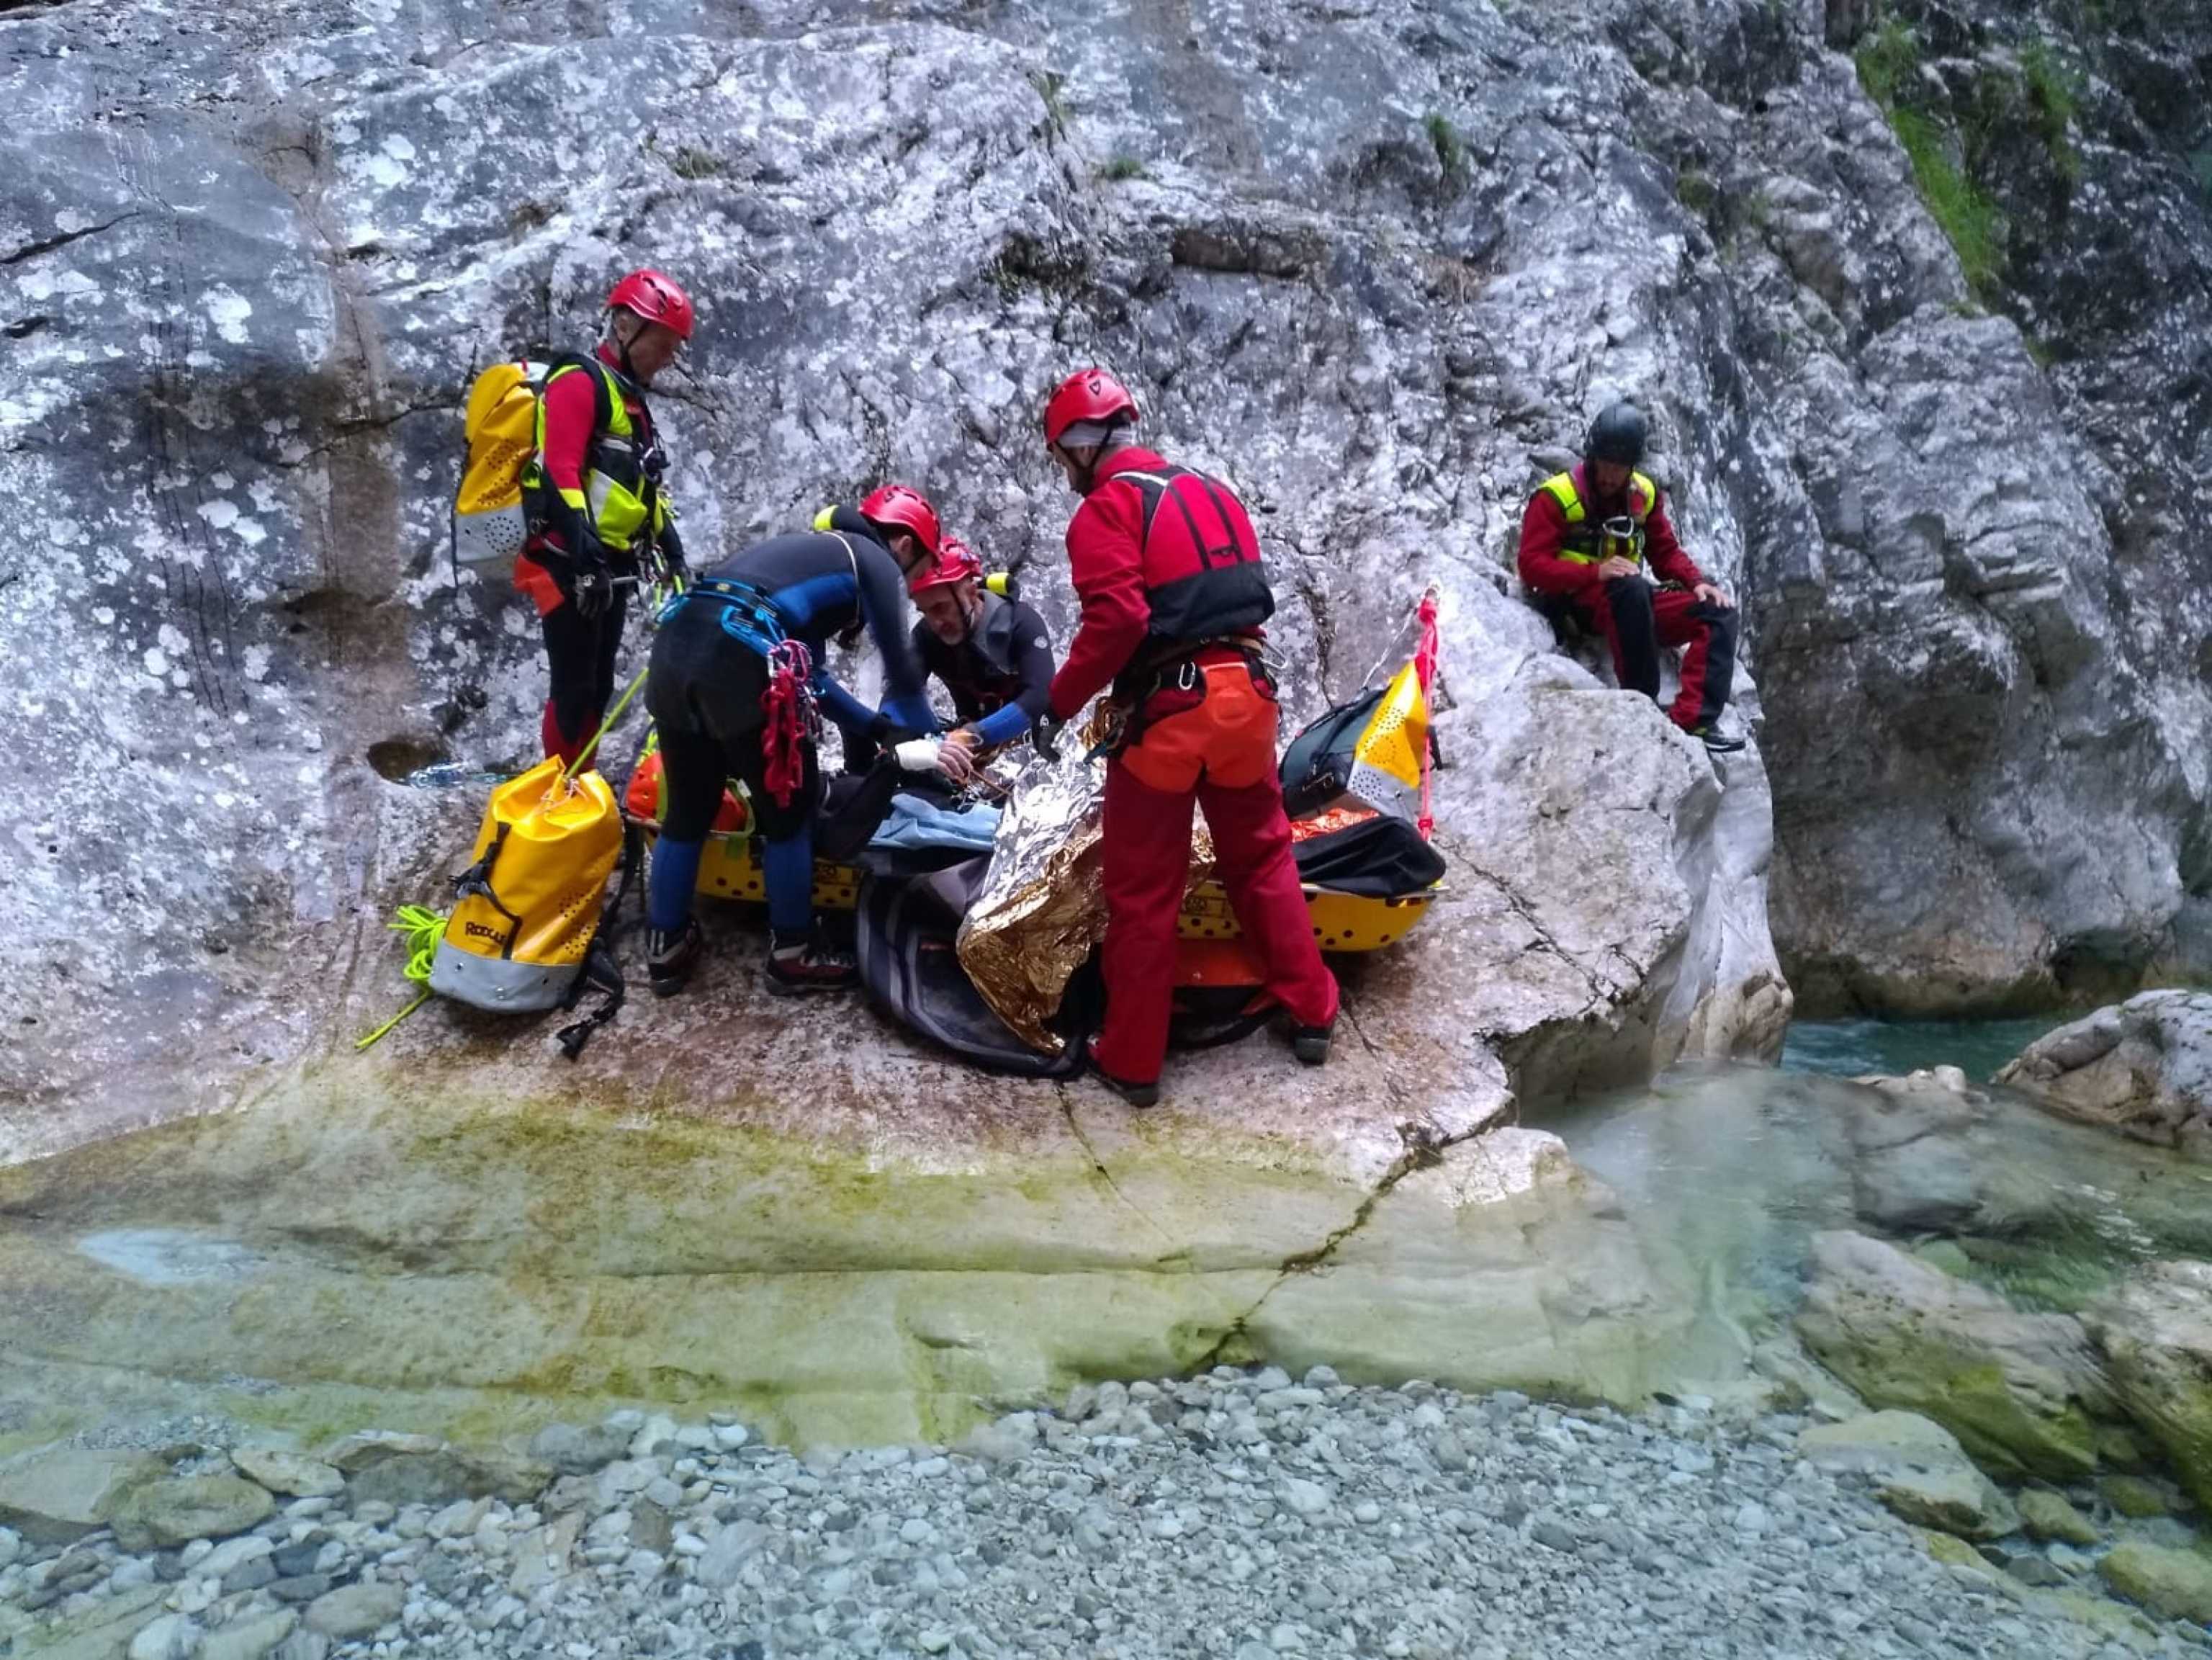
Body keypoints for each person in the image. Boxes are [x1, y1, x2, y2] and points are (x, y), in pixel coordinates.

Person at [1038, 367, 1339, 1108]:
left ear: (1079, 447)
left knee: (1143, 892)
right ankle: (1312, 1010)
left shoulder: (1105, 509)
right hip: (1250, 694)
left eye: (1061, 457)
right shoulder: (1213, 490)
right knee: (1263, 858)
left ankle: (1134, 1060)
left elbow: (1119, 622)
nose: (1065, 474)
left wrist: (1059, 702)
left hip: (1172, 714)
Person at [643, 488, 943, 995]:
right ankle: (794, 954)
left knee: (689, 810)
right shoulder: (876, 561)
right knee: (791, 813)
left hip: (676, 645)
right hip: (741, 656)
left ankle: (665, 946)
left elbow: (814, 677)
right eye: (916, 578)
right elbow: (905, 675)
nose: (909, 590)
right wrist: (933, 748)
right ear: (908, 547)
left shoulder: (811, 557)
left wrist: (870, 727)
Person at [513, 269, 693, 768]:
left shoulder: (631, 401)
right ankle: (556, 789)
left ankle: (578, 782)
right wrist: (583, 553)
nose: (669, 357)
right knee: (572, 685)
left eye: (674, 346)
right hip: (567, 562)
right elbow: (560, 468)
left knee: (599, 685)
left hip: (610, 565)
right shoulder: (579, 380)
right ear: (623, 326)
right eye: (663, 343)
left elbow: (645, 484)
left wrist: (672, 548)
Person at [1516, 402, 1743, 753]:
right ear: (1592, 458)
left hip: (1631, 602)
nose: (1609, 475)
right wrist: (1596, 572)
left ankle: (1694, 721)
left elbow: (1664, 551)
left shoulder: (1643, 497)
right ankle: (1643, 707)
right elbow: (1531, 565)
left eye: (1619, 468)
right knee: (1633, 590)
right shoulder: (1556, 498)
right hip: (1580, 605)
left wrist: (1695, 582)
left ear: (1631, 467)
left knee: (1717, 612)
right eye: (1605, 464)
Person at [905, 538, 1056, 783]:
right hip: (971, 744)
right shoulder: (926, 636)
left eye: (941, 608)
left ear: (971, 591)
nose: (935, 623)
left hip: (1028, 741)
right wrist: (893, 739)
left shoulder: (1020, 623)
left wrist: (972, 735)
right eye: (925, 611)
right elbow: (900, 695)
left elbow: (1040, 697)